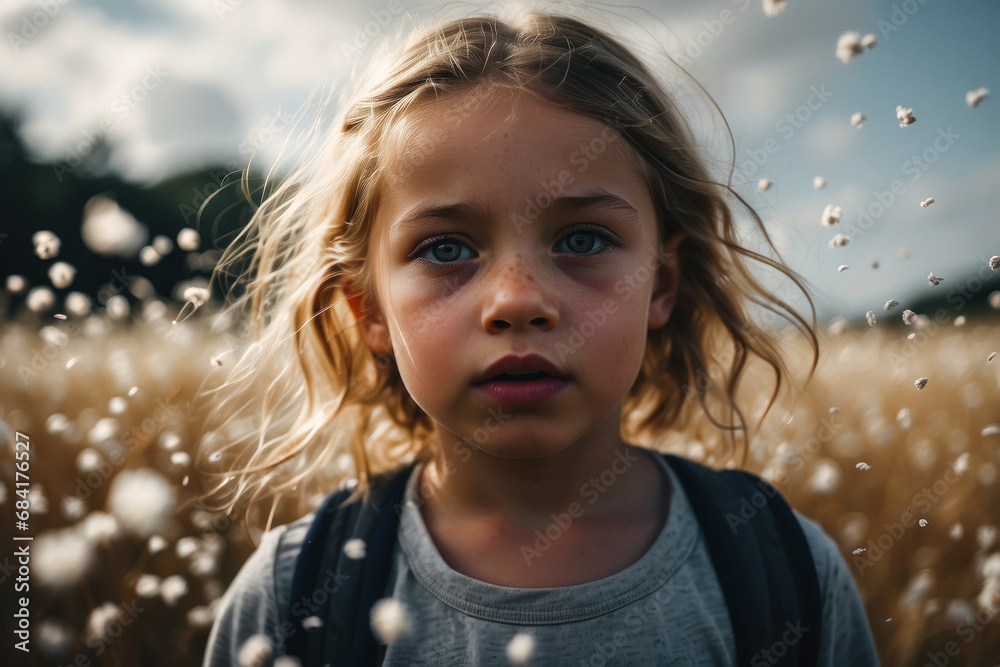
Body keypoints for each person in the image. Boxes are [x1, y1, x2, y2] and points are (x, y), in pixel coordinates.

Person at [199, 7, 880, 666]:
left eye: (583, 239)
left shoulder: (781, 569)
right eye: (444, 250)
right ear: (367, 308)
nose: (517, 299)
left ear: (662, 283)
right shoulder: (295, 594)